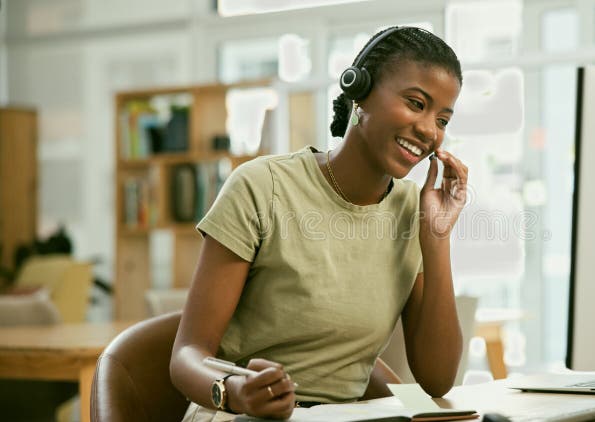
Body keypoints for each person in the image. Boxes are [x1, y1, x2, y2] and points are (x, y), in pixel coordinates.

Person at [170, 26, 468, 421]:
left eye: (443, 119)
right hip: (240, 414)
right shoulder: (263, 186)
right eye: (416, 104)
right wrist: (237, 391)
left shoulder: (412, 212)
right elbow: (187, 354)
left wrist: (437, 238)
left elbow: (436, 380)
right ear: (359, 93)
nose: (430, 131)